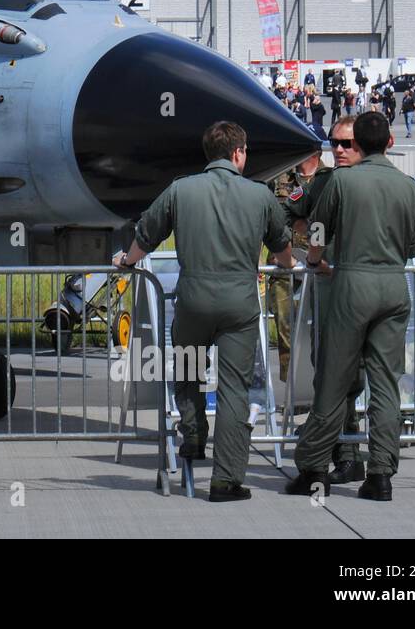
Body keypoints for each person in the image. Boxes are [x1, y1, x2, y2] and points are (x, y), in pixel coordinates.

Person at [114, 121, 294, 502]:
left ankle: (193, 436)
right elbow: (282, 248)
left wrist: (127, 261)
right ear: (238, 153)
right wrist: (287, 264)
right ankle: (226, 480)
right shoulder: (260, 195)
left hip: (193, 302)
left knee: (189, 372)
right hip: (239, 306)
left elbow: (147, 233)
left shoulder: (181, 189)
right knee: (233, 390)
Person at [287, 112, 415, 501]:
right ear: (390, 142)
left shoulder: (342, 180)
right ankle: (380, 475)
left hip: (352, 284)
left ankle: (313, 467)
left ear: (358, 141)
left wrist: (312, 260)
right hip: (394, 286)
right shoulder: (407, 185)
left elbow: (320, 229)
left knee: (333, 378)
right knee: (386, 384)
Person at [281, 116, 366, 484]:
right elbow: (286, 209)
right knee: (330, 371)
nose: (340, 150)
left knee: (363, 376)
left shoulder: (382, 183)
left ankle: (367, 459)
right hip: (332, 297)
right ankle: (345, 453)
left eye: (348, 144)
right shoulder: (321, 184)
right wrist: (310, 235)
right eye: (336, 143)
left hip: (370, 297)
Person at [267, 150, 322, 380]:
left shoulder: (330, 179)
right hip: (283, 263)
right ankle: (291, 387)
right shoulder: (279, 178)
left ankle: (320, 385)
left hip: (319, 264)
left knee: (321, 327)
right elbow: (265, 217)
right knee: (285, 323)